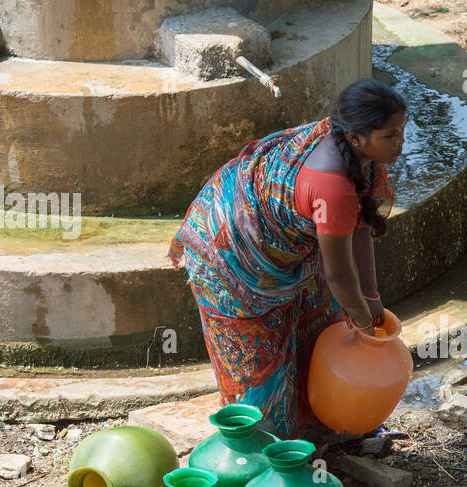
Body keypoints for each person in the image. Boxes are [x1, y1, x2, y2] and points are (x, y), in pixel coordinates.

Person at [170, 77, 407, 439]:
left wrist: (371, 298)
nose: (401, 142)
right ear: (358, 137)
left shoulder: (351, 147)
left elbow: (359, 230)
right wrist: (363, 320)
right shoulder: (332, 188)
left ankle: (317, 420)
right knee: (255, 365)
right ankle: (261, 452)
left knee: (322, 317)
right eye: (390, 135)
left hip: (279, 243)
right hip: (229, 254)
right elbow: (340, 275)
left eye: (401, 131)